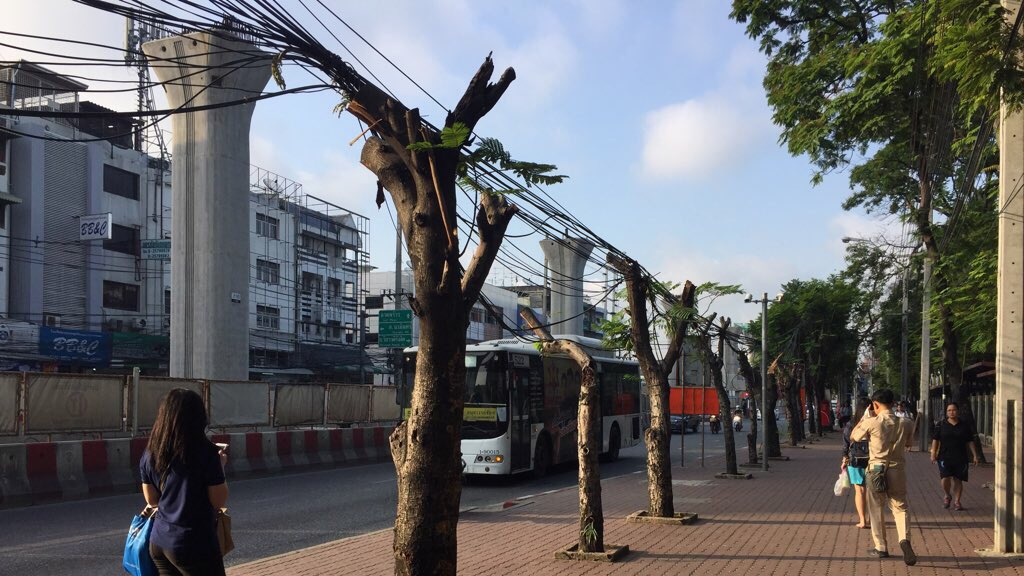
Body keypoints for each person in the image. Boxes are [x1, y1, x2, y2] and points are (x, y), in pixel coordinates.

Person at [140, 388, 229, 576]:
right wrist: (220, 466)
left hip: (159, 542)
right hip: (194, 544)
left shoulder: (151, 453)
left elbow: (152, 500)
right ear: (199, 418)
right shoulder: (207, 453)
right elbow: (219, 501)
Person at [850, 389, 917, 566]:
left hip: (876, 468)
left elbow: (854, 437)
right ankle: (904, 539)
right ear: (894, 403)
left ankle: (881, 547)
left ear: (875, 404)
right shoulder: (907, 423)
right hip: (897, 469)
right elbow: (909, 444)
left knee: (876, 508)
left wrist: (865, 418)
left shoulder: (872, 422)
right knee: (900, 507)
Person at [931, 402, 980, 511]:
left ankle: (957, 502)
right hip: (944, 456)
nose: (951, 412)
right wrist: (933, 453)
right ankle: (947, 495)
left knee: (958, 479)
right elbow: (935, 440)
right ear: (946, 412)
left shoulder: (964, 425)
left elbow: (970, 441)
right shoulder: (941, 425)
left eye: (953, 410)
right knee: (945, 478)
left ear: (958, 411)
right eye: (949, 410)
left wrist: (975, 455)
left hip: (961, 457)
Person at [841, 397, 871, 528]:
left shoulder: (851, 424)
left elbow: (846, 444)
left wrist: (844, 459)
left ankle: (863, 520)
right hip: (872, 459)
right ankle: (871, 518)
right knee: (871, 490)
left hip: (855, 460)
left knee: (859, 491)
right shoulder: (874, 423)